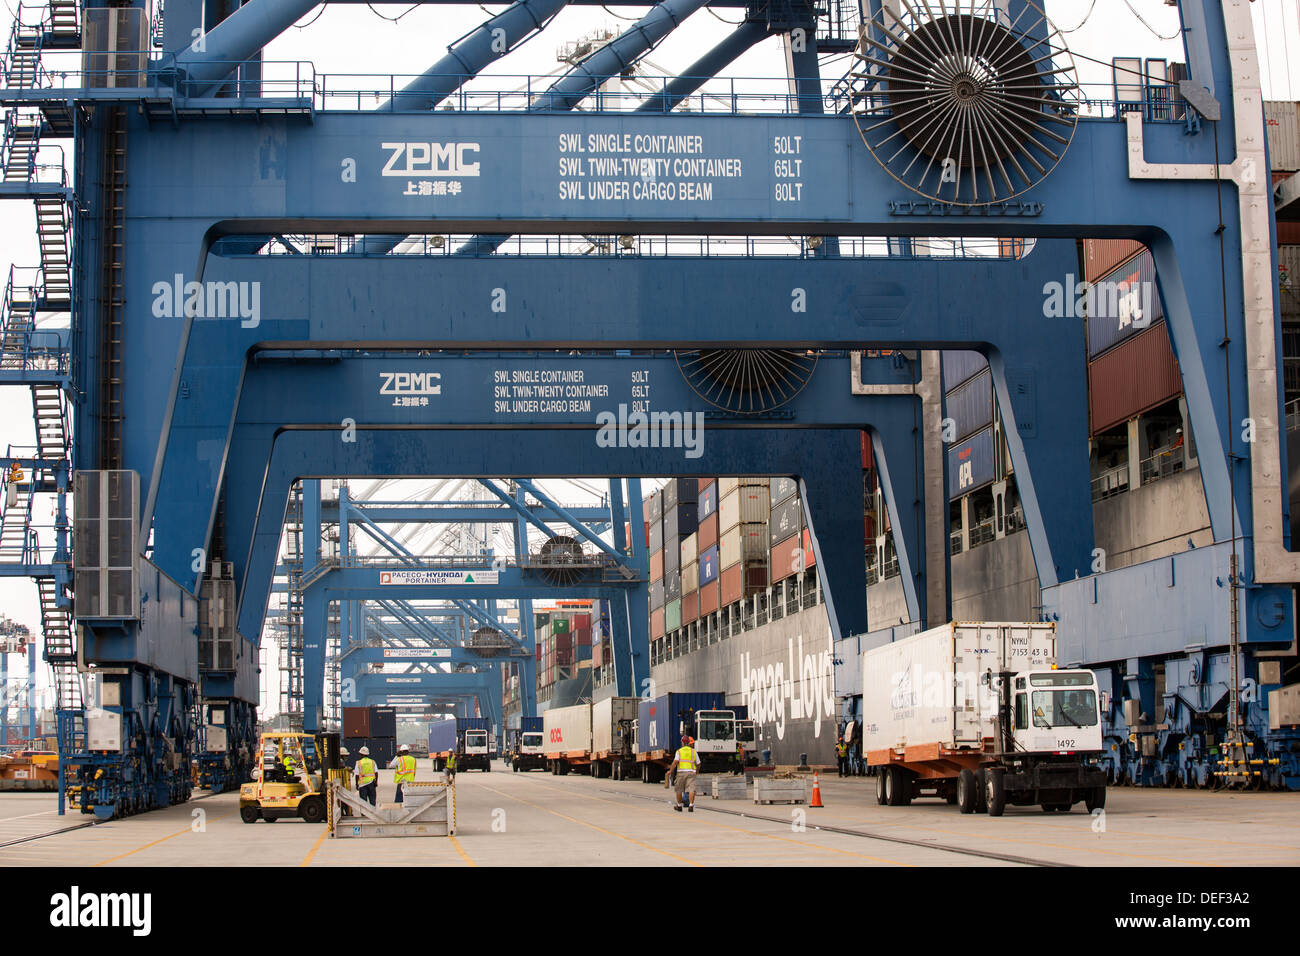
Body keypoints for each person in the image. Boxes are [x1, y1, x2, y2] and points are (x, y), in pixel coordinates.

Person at [668, 735, 698, 813]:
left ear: (682, 742)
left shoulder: (679, 751)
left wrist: (670, 771)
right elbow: (698, 763)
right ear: (688, 743)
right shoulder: (693, 751)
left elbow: (675, 762)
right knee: (691, 789)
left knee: (679, 789)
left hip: (681, 772)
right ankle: (691, 805)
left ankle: (679, 806)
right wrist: (696, 771)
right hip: (691, 772)